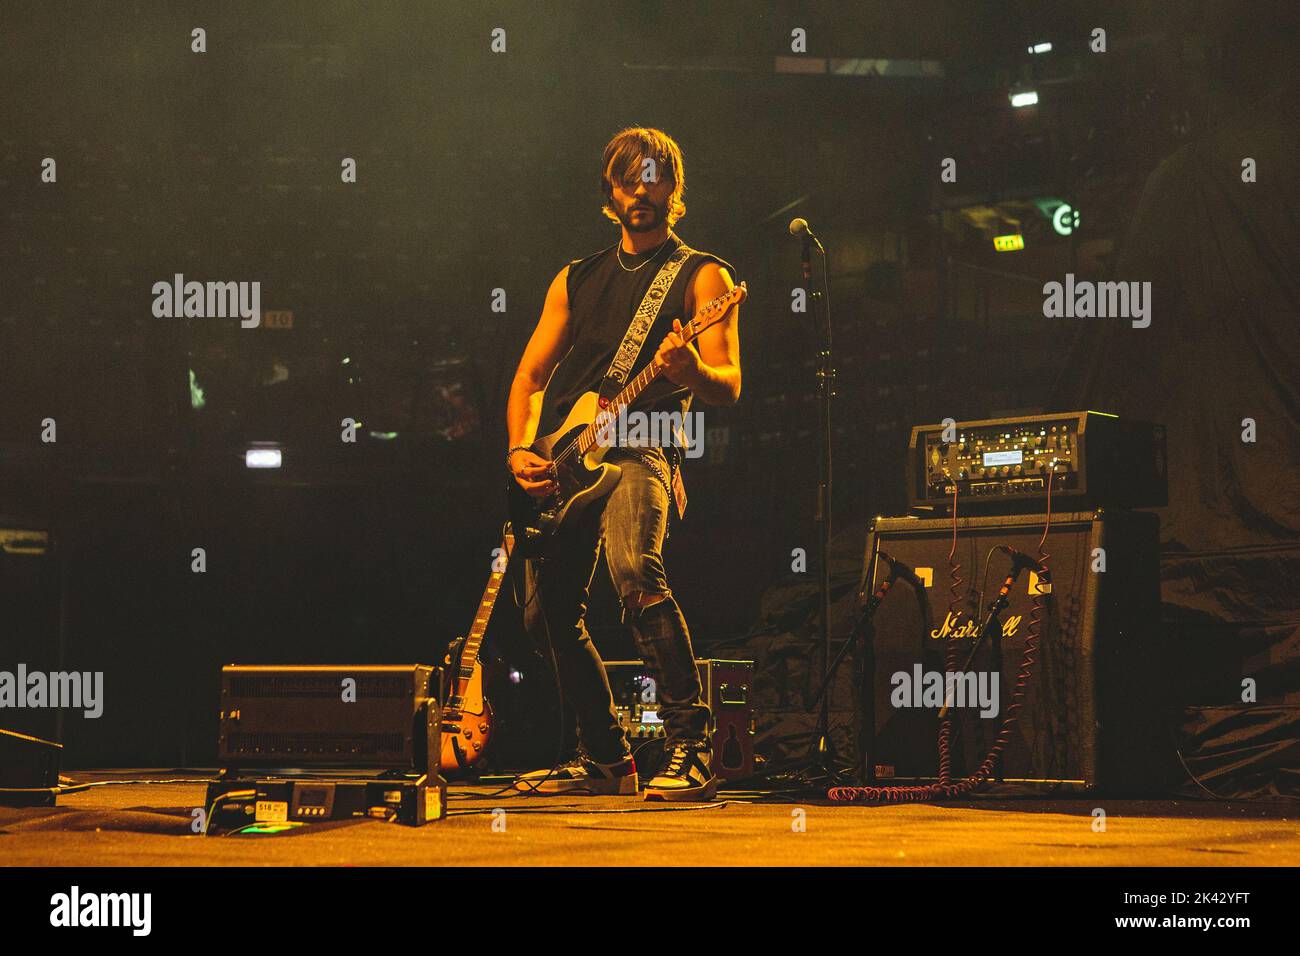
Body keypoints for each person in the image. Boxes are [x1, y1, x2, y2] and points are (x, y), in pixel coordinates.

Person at [504, 127, 741, 801]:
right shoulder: (575, 277)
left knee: (636, 569)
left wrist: (691, 366)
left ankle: (691, 746)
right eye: (628, 177)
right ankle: (606, 760)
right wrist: (523, 447)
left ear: (675, 188)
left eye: (656, 175)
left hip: (646, 439)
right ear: (609, 192)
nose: (642, 187)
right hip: (567, 456)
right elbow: (531, 375)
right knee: (544, 615)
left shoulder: (703, 275)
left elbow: (728, 382)